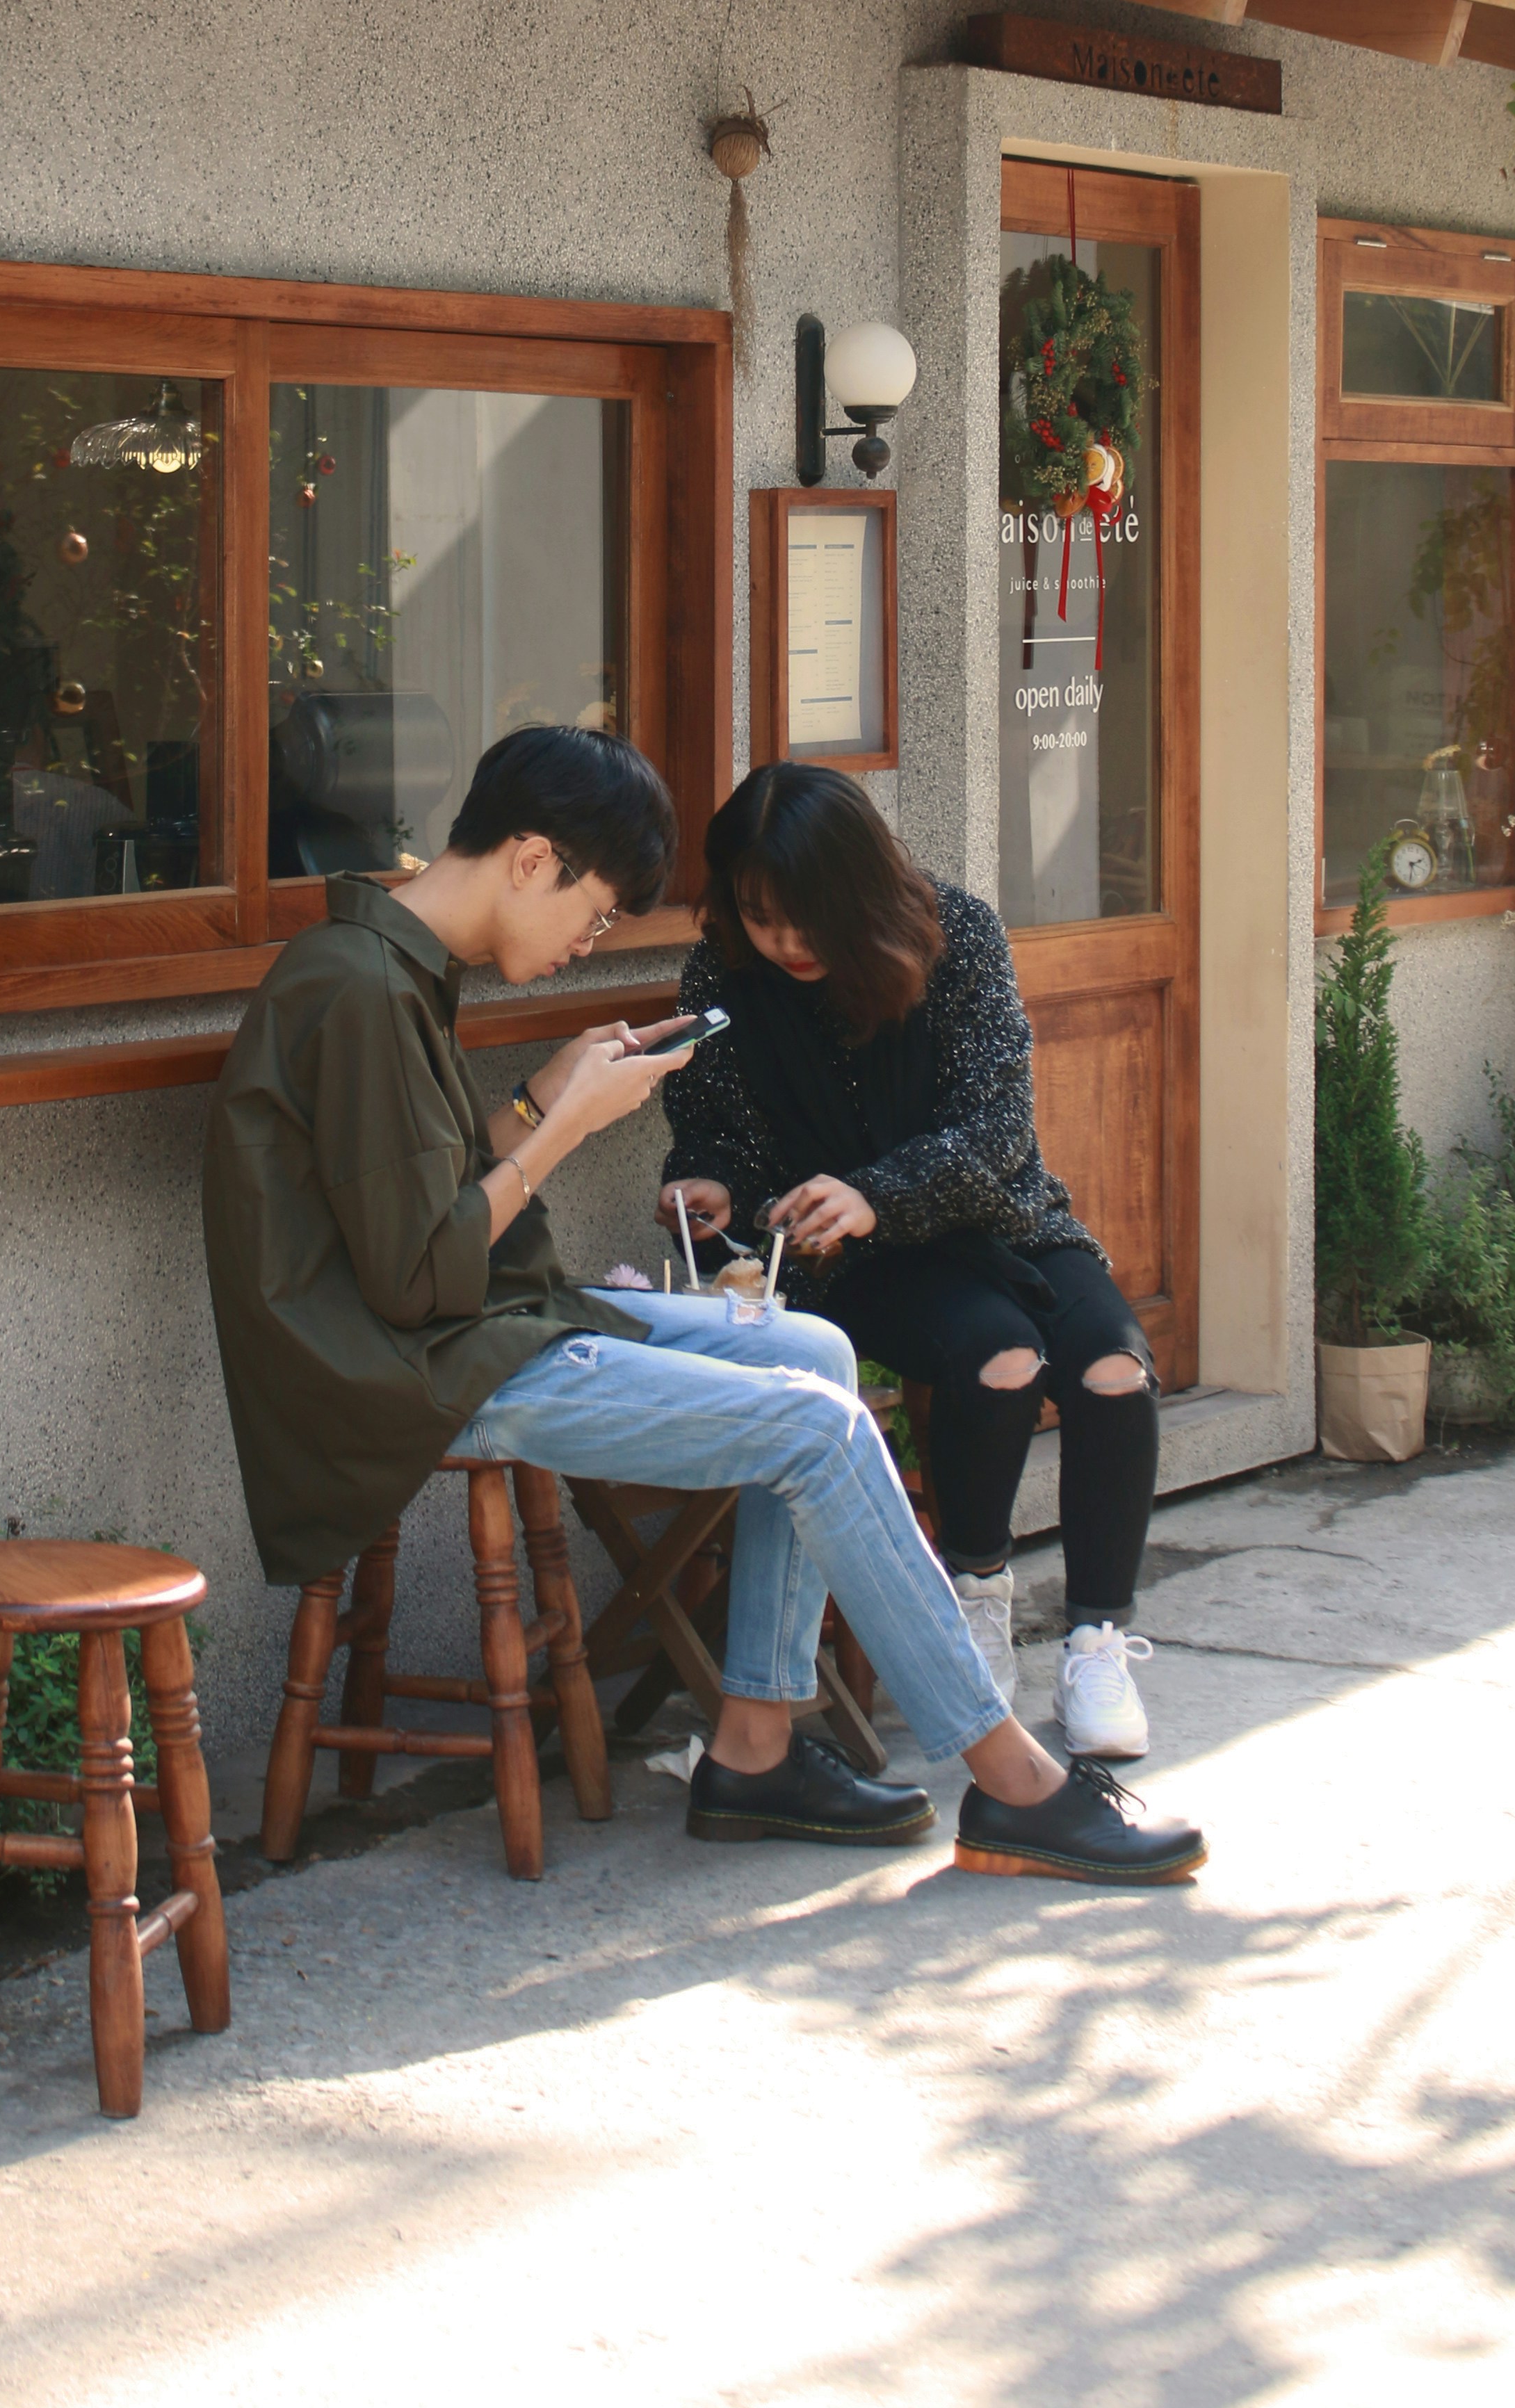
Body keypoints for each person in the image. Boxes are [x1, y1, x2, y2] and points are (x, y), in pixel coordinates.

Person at [203, 722, 1201, 1885]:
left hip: (465, 1326)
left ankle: (755, 1750)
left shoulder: (391, 971)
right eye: (596, 911)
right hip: (407, 1370)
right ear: (533, 859)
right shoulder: (358, 989)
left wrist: (539, 1097)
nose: (591, 941)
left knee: (813, 1351)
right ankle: (1012, 1782)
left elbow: (409, 1202)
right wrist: (567, 1126)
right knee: (817, 1426)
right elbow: (417, 1273)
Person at [658, 763, 1165, 1763]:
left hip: (998, 1218)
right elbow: (713, 1129)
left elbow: (998, 1132)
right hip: (843, 1260)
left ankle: (1098, 1640)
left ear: (858, 891)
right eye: (761, 917)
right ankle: (976, 1600)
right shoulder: (722, 971)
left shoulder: (956, 932)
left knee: (1114, 1365)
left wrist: (880, 1191)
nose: (786, 943)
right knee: (998, 1360)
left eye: (805, 918)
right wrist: (708, 1183)